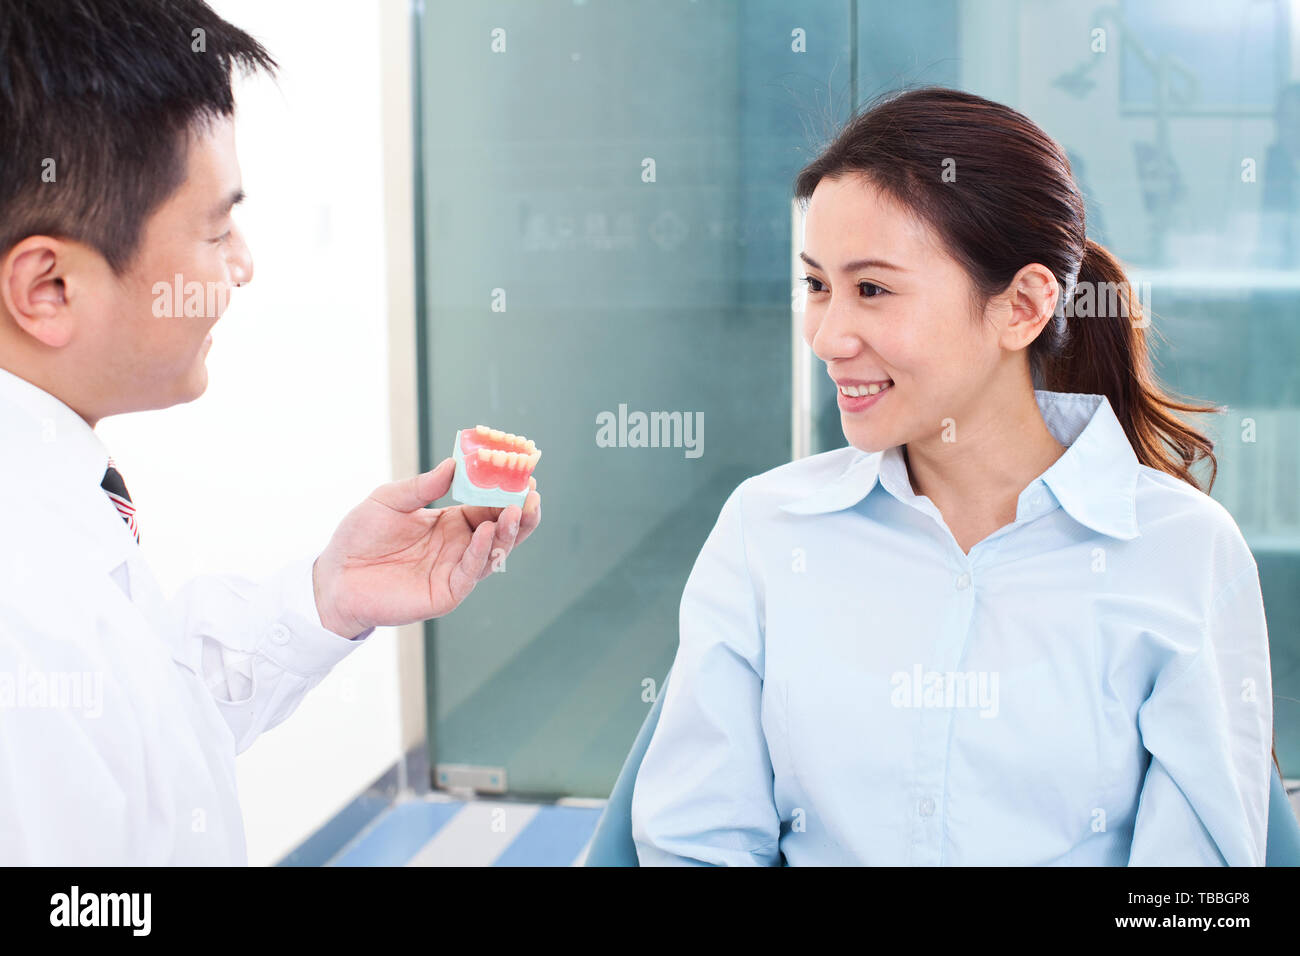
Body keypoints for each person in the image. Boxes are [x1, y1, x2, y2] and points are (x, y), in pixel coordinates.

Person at [631, 87, 1277, 866]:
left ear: (1022, 306)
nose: (829, 336)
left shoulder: (1181, 553)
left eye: (872, 289)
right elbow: (695, 845)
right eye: (816, 285)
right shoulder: (766, 530)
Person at [0, 0, 540, 864]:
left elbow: (142, 736)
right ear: (50, 288)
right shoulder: (21, 618)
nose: (244, 264)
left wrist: (332, 594)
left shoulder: (51, 492)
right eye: (216, 228)